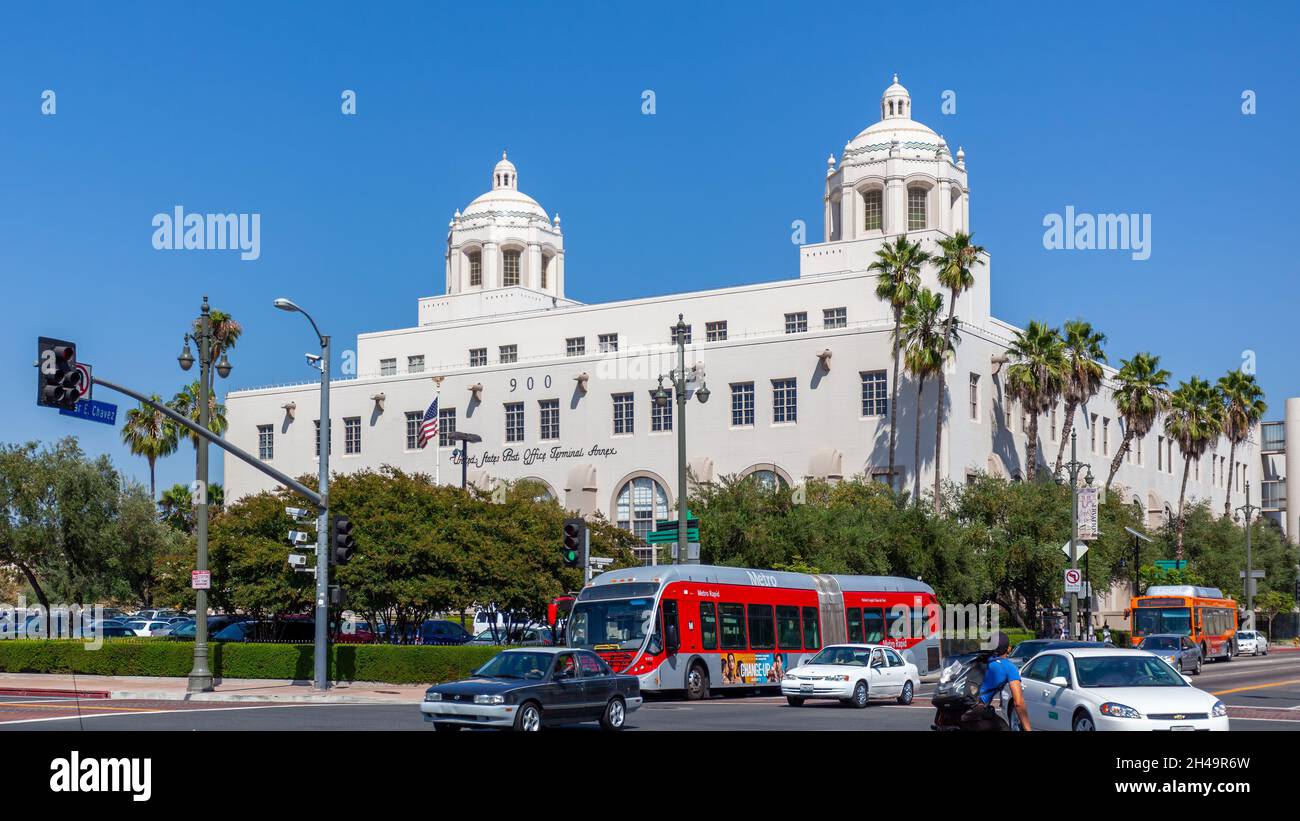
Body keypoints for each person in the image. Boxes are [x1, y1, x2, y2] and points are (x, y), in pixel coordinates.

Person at [978, 631, 1031, 731]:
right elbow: (1018, 702)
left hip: (955, 708)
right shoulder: (1008, 667)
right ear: (1009, 649)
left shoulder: (980, 660)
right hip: (975, 711)